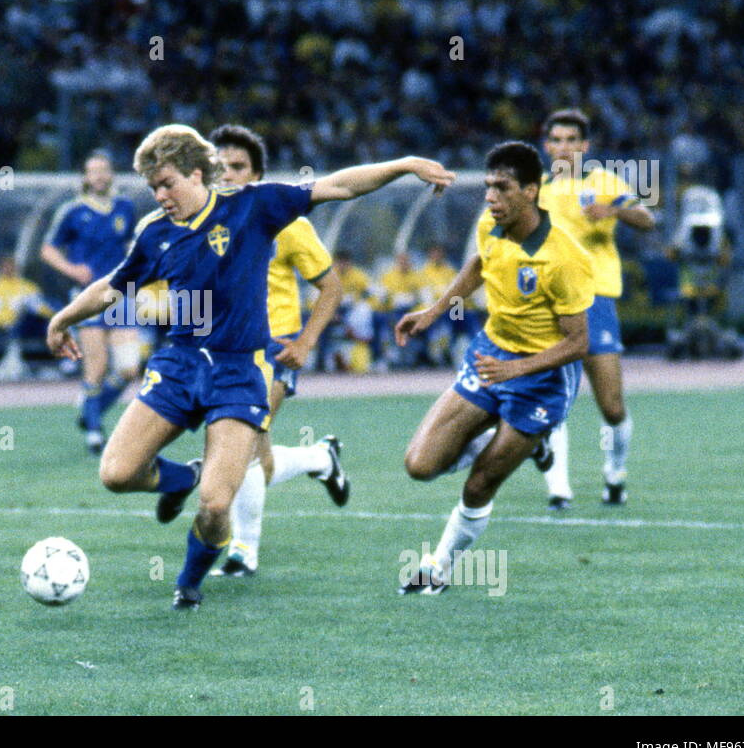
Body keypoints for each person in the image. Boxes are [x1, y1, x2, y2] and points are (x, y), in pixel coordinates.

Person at [46, 124, 453, 610]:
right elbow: (113, 285)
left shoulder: (253, 205)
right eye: (153, 187)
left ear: (196, 174)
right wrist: (62, 319)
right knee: (116, 474)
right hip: (179, 364)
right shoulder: (156, 232)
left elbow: (339, 185)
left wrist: (404, 164)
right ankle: (181, 478)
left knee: (217, 503)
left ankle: (189, 583)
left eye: (167, 184)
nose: (160, 196)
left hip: (239, 371)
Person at [395, 142, 592, 595]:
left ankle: (437, 569)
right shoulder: (491, 225)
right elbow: (478, 265)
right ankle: (522, 442)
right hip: (491, 358)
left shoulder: (564, 258)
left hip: (540, 382)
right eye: (488, 187)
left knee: (480, 483)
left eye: (502, 188)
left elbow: (577, 343)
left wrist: (520, 370)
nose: (490, 197)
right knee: (419, 466)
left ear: (530, 191)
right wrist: (433, 311)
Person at [204, 124, 348, 579]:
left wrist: (305, 342)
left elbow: (332, 287)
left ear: (257, 176)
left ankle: (243, 552)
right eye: (219, 167)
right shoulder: (202, 223)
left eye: (238, 167)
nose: (227, 174)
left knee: (242, 445)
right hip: (225, 351)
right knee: (257, 462)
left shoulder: (287, 223)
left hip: (273, 348)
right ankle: (320, 458)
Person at [536, 109, 655, 509]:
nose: (564, 147)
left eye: (572, 140)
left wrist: (615, 210)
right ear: (547, 145)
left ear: (584, 146)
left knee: (612, 405)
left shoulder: (603, 182)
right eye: (557, 140)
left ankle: (615, 473)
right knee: (552, 398)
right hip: (549, 304)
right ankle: (558, 489)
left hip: (594, 301)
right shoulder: (537, 190)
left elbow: (647, 220)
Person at [40, 151, 141, 454]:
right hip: (88, 297)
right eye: (92, 170)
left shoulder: (125, 207)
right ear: (85, 176)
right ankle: (95, 431)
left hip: (120, 293)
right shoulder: (72, 211)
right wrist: (72, 270)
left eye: (103, 169)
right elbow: (48, 249)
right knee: (96, 367)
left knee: (128, 367)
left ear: (111, 173)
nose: (98, 175)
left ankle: (90, 411)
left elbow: (130, 244)